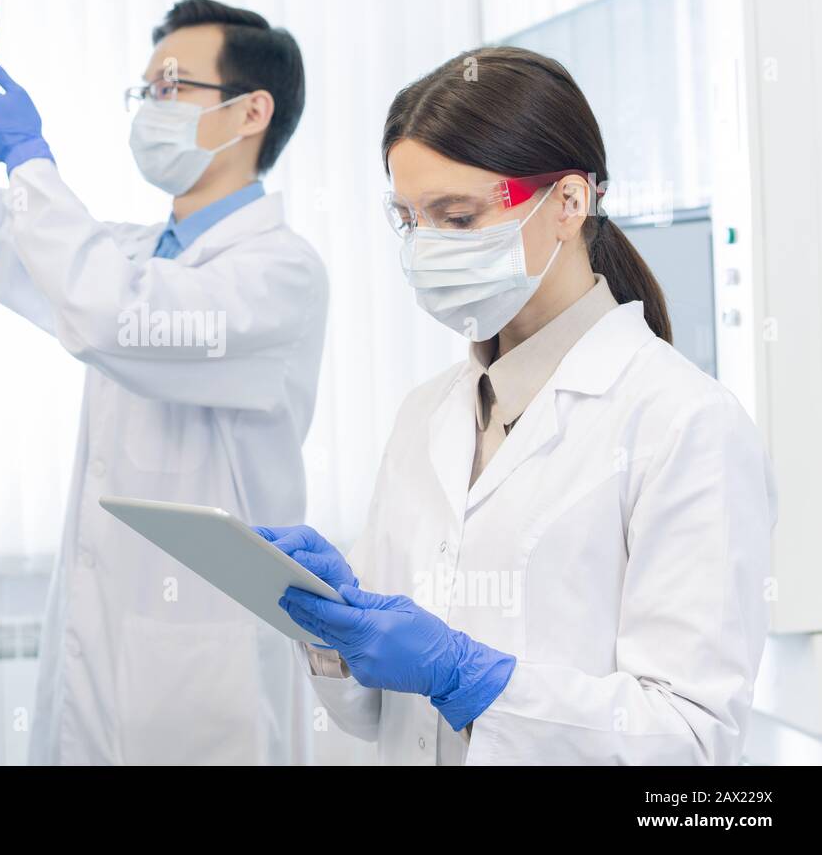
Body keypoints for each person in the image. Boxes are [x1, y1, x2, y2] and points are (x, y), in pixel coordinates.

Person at [260, 46, 775, 765]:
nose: (425, 248)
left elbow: (689, 739)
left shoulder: (685, 424)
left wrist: (471, 679)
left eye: (459, 218)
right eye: (410, 221)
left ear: (568, 202)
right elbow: (380, 720)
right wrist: (334, 633)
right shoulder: (425, 415)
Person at [0, 0, 327, 764]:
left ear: (251, 112)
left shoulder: (280, 276)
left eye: (172, 87)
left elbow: (115, 317)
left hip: (206, 678)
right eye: (146, 90)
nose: (150, 106)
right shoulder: (132, 252)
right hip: (101, 648)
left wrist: (32, 161)